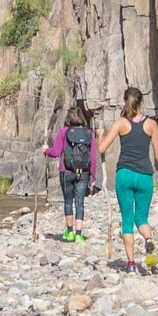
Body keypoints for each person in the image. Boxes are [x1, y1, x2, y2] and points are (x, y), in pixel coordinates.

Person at [98, 88, 158, 271]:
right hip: (145, 176)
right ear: (141, 102)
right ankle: (149, 239)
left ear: (125, 101)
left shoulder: (120, 123)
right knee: (142, 219)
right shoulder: (151, 124)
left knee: (127, 220)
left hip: (125, 175)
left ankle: (130, 265)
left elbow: (102, 149)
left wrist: (100, 136)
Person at [42, 100, 99, 243]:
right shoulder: (89, 133)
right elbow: (92, 156)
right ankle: (79, 234)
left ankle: (69, 232)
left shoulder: (64, 132)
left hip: (66, 171)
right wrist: (93, 175)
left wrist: (45, 150)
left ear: (68, 117)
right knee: (80, 202)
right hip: (84, 172)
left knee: (68, 201)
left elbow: (55, 152)